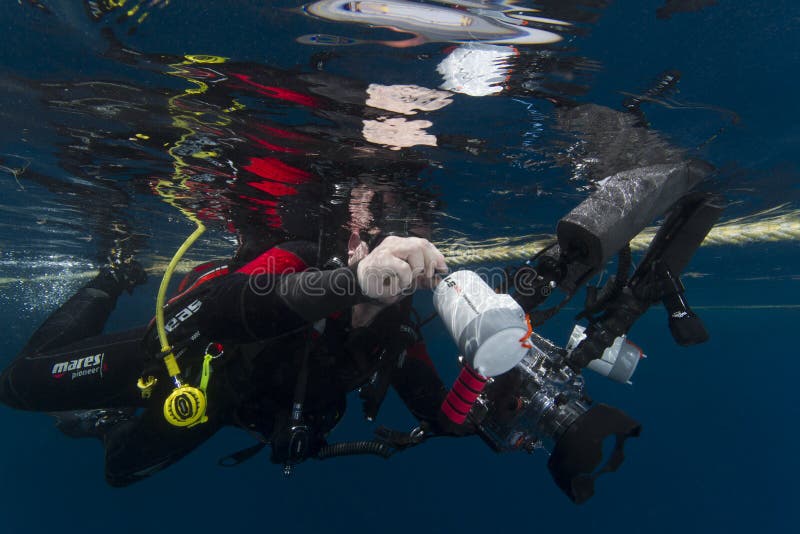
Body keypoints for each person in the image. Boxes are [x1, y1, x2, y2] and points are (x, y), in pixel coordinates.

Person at [0, 232, 454, 486]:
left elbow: (441, 414)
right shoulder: (304, 257)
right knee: (18, 384)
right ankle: (112, 277)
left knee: (119, 469)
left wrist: (523, 298)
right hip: (176, 357)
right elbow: (221, 310)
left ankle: (105, 421)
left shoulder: (394, 329)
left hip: (213, 406)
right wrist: (352, 283)